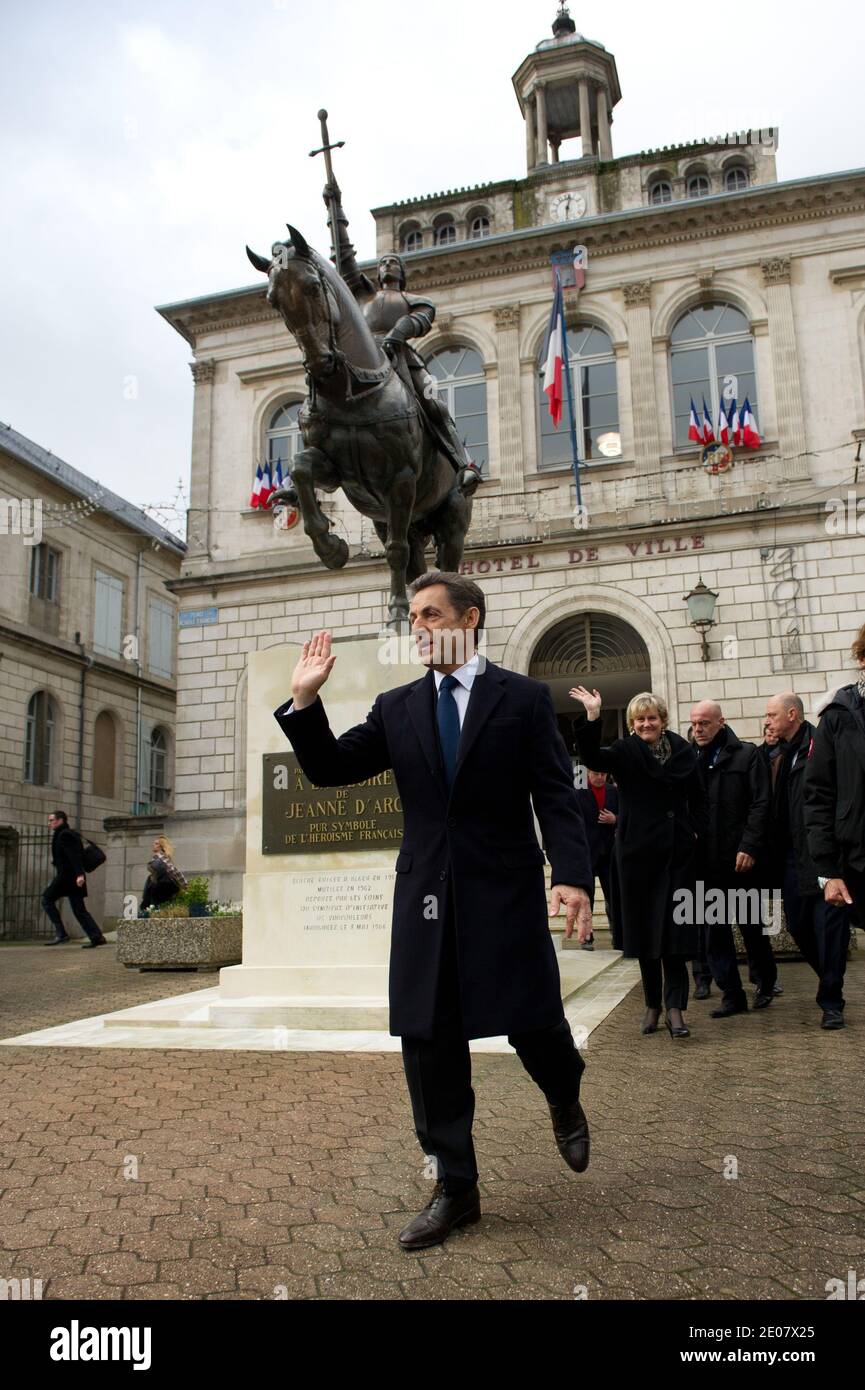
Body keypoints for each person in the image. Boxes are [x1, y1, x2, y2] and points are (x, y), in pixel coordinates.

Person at [274, 572, 594, 1250]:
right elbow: (331, 770)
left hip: (503, 893)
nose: (417, 627)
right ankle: (456, 1187)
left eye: (429, 614)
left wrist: (571, 876)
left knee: (535, 1024)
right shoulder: (396, 707)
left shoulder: (524, 699)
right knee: (428, 1040)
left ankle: (563, 1094)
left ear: (467, 618)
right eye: (411, 617)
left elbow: (553, 795)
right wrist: (304, 702)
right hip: (425, 900)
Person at [324, 183, 482, 496]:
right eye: (383, 262)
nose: (387, 265)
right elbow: (343, 257)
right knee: (322, 398)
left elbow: (421, 320)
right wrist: (335, 210)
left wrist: (397, 335)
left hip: (401, 358)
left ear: (402, 272)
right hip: (364, 359)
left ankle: (463, 466)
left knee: (434, 404)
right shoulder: (364, 294)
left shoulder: (414, 299)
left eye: (393, 262)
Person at [570, 687, 707, 1039]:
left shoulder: (683, 752)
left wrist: (694, 832)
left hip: (677, 855)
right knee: (647, 933)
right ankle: (652, 1005)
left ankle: (676, 1008)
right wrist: (592, 716)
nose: (647, 723)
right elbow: (590, 757)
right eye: (640, 719)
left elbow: (700, 799)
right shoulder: (624, 751)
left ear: (663, 721)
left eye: (652, 718)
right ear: (632, 724)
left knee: (675, 935)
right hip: (637, 856)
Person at [689, 700, 776, 1019]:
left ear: (721, 723)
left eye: (705, 723)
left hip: (741, 861)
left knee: (751, 927)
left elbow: (760, 804)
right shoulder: (689, 760)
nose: (698, 729)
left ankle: (765, 983)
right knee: (714, 932)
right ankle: (731, 994)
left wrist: (750, 846)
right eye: (695, 723)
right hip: (705, 864)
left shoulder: (747, 755)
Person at [802, 624, 865, 1028]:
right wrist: (827, 869)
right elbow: (819, 794)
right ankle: (831, 1000)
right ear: (862, 658)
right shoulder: (838, 716)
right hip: (851, 853)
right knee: (834, 933)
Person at [764, 692, 834, 1026]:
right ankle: (828, 976)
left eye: (772, 715)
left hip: (820, 856)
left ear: (793, 714)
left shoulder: (820, 746)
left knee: (827, 928)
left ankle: (831, 1002)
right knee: (800, 927)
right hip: (789, 859)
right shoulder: (778, 755)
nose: (767, 721)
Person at [41, 810, 106, 947]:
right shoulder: (63, 833)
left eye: (51, 820)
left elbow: (74, 855)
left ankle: (62, 934)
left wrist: (80, 874)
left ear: (60, 821)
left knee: (47, 899)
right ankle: (96, 937)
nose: (49, 823)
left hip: (69, 878)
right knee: (79, 910)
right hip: (70, 877)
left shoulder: (65, 835)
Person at [575, 770, 620, 950]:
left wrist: (614, 819)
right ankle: (586, 938)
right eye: (596, 774)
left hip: (609, 853)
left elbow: (626, 814)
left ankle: (618, 937)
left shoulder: (614, 792)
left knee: (614, 897)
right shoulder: (578, 792)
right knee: (587, 897)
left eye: (603, 774)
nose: (600, 777)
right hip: (587, 852)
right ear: (588, 774)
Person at [141, 836, 187, 915]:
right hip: (166, 890)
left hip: (159, 889)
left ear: (161, 846)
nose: (153, 844)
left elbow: (173, 871)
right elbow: (175, 872)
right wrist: (185, 885)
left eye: (156, 843)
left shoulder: (158, 857)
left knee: (151, 908)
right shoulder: (166, 858)